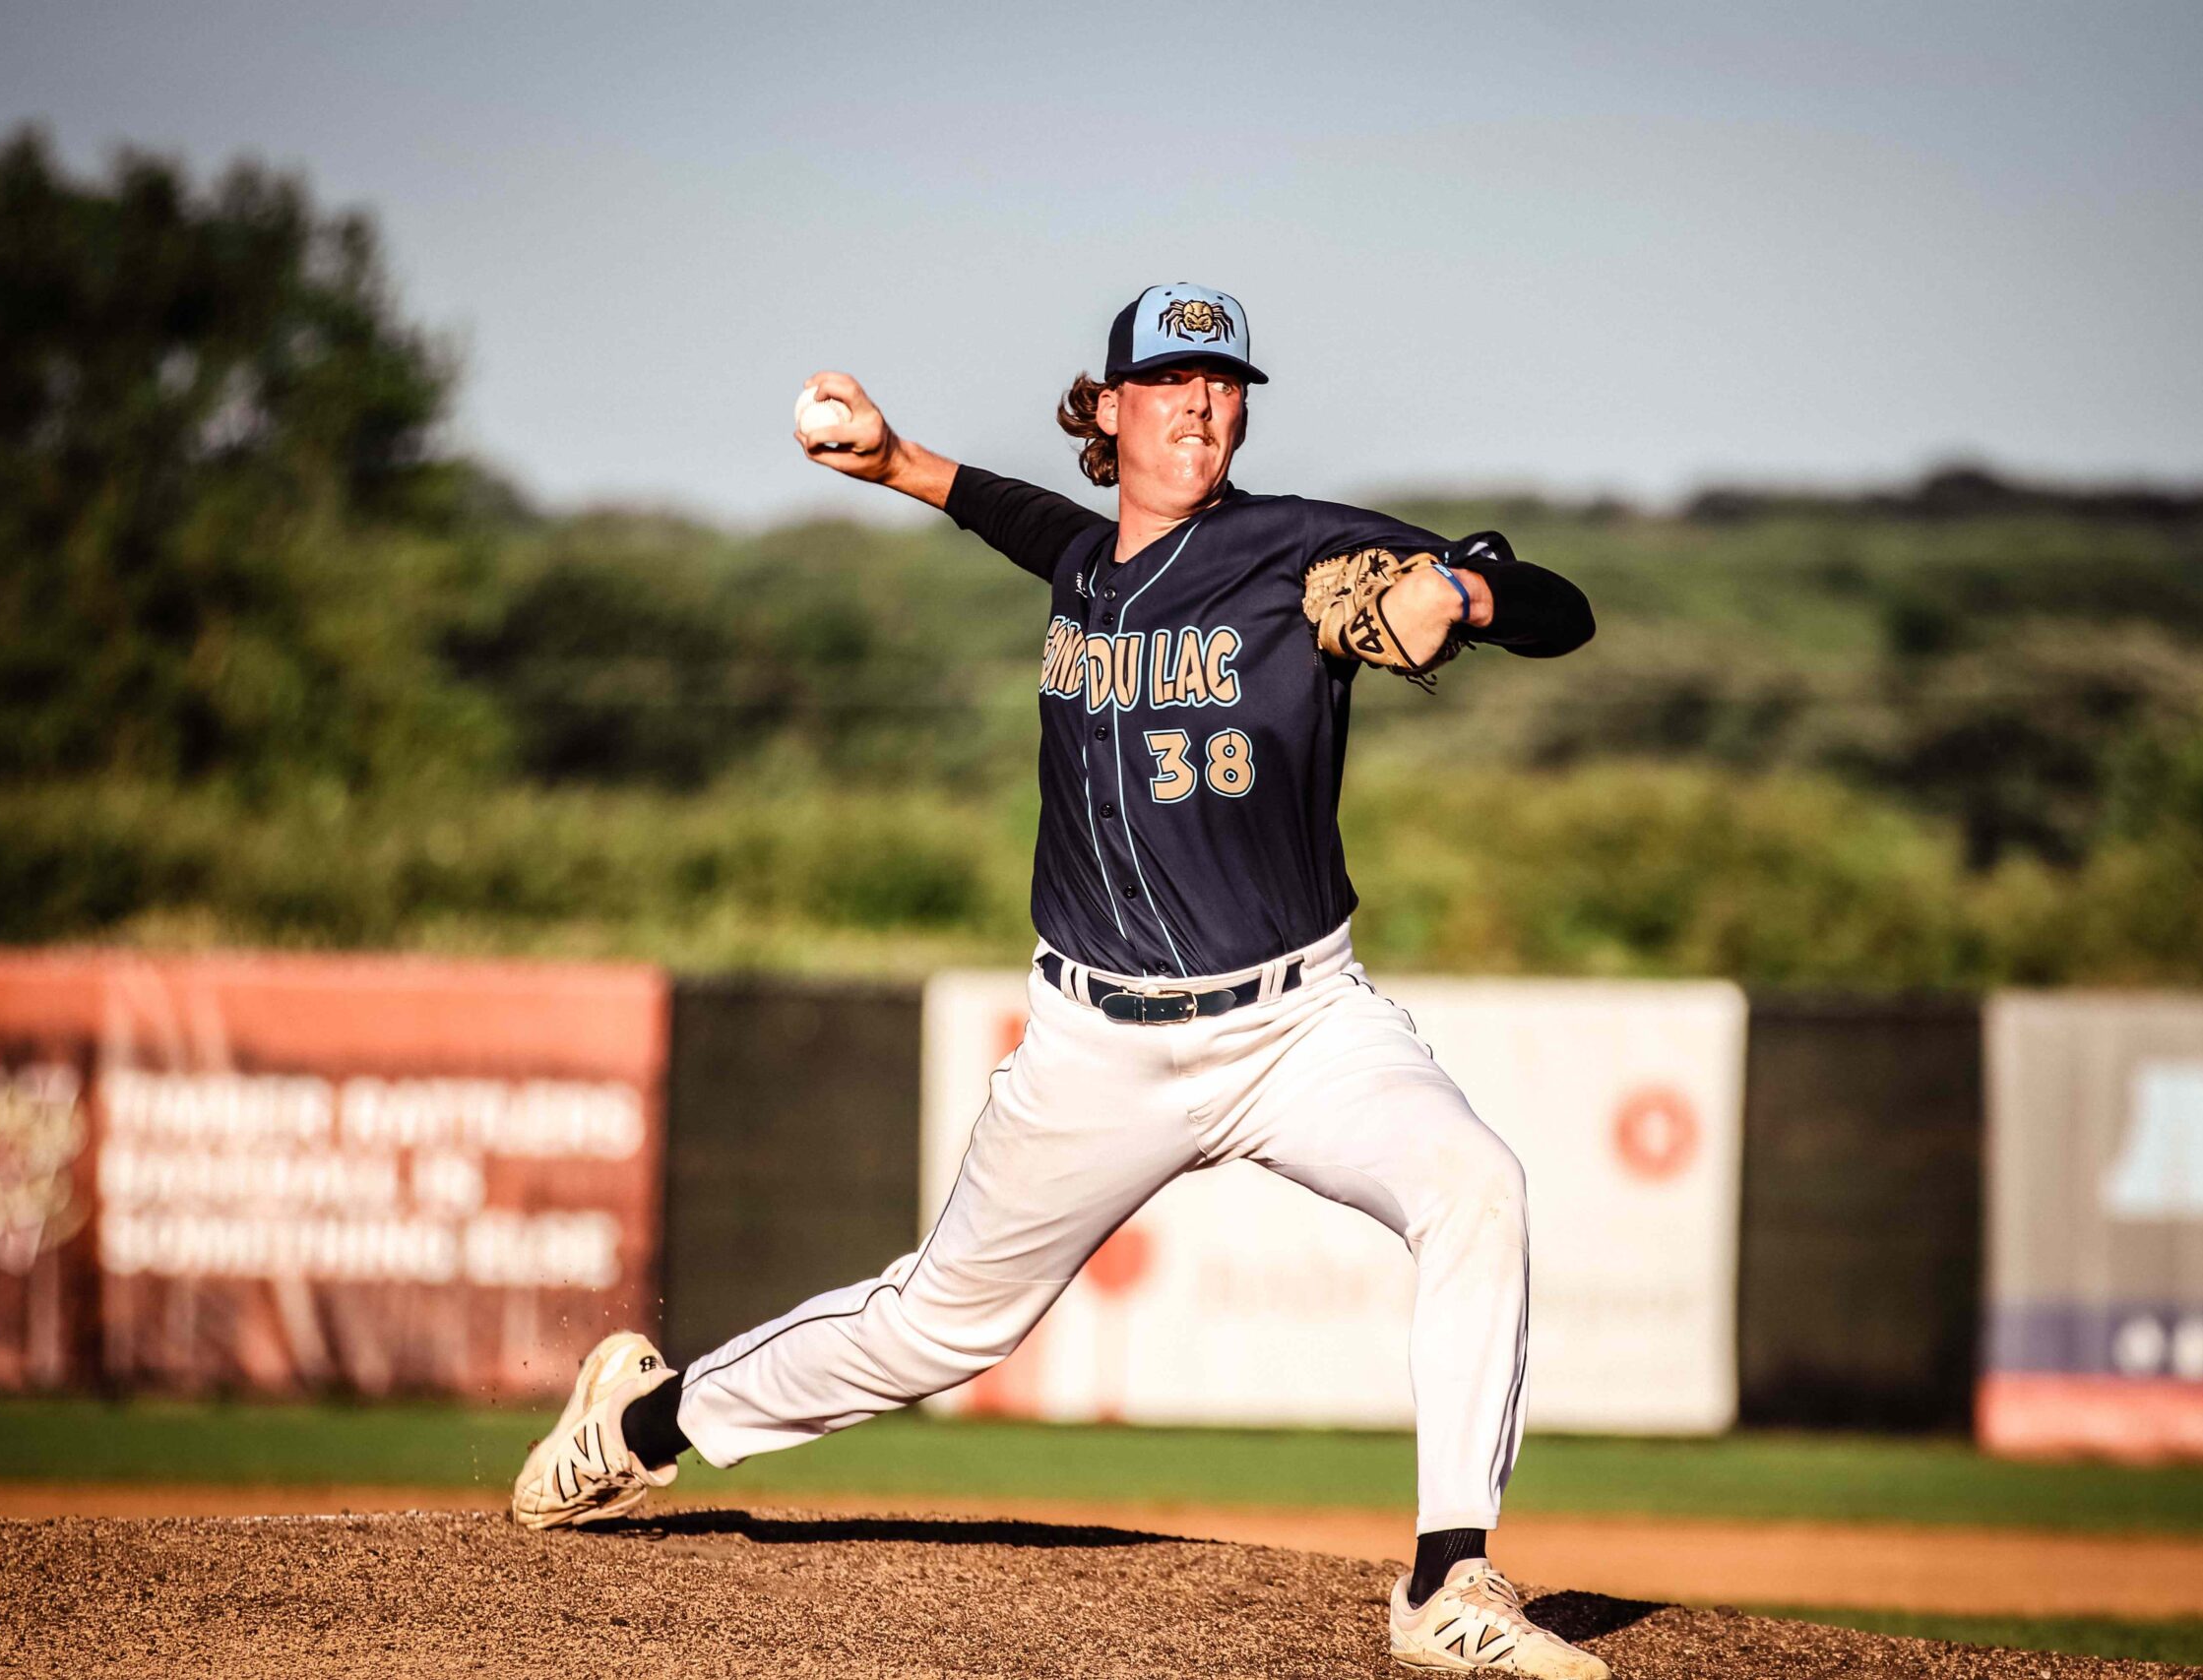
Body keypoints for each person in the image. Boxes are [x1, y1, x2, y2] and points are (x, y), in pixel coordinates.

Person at [512, 283, 1603, 1677]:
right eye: (1171, 382)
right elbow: (1022, 520)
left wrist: (1461, 587)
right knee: (931, 1330)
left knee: (1478, 1188)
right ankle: (633, 1430)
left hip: (1299, 1022)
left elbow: (1560, 611)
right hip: (1099, 1046)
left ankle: (1451, 1581)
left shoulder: (1299, 547)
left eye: (1226, 383)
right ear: (1109, 408)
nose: (1204, 404)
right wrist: (901, 461)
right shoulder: (1087, 565)